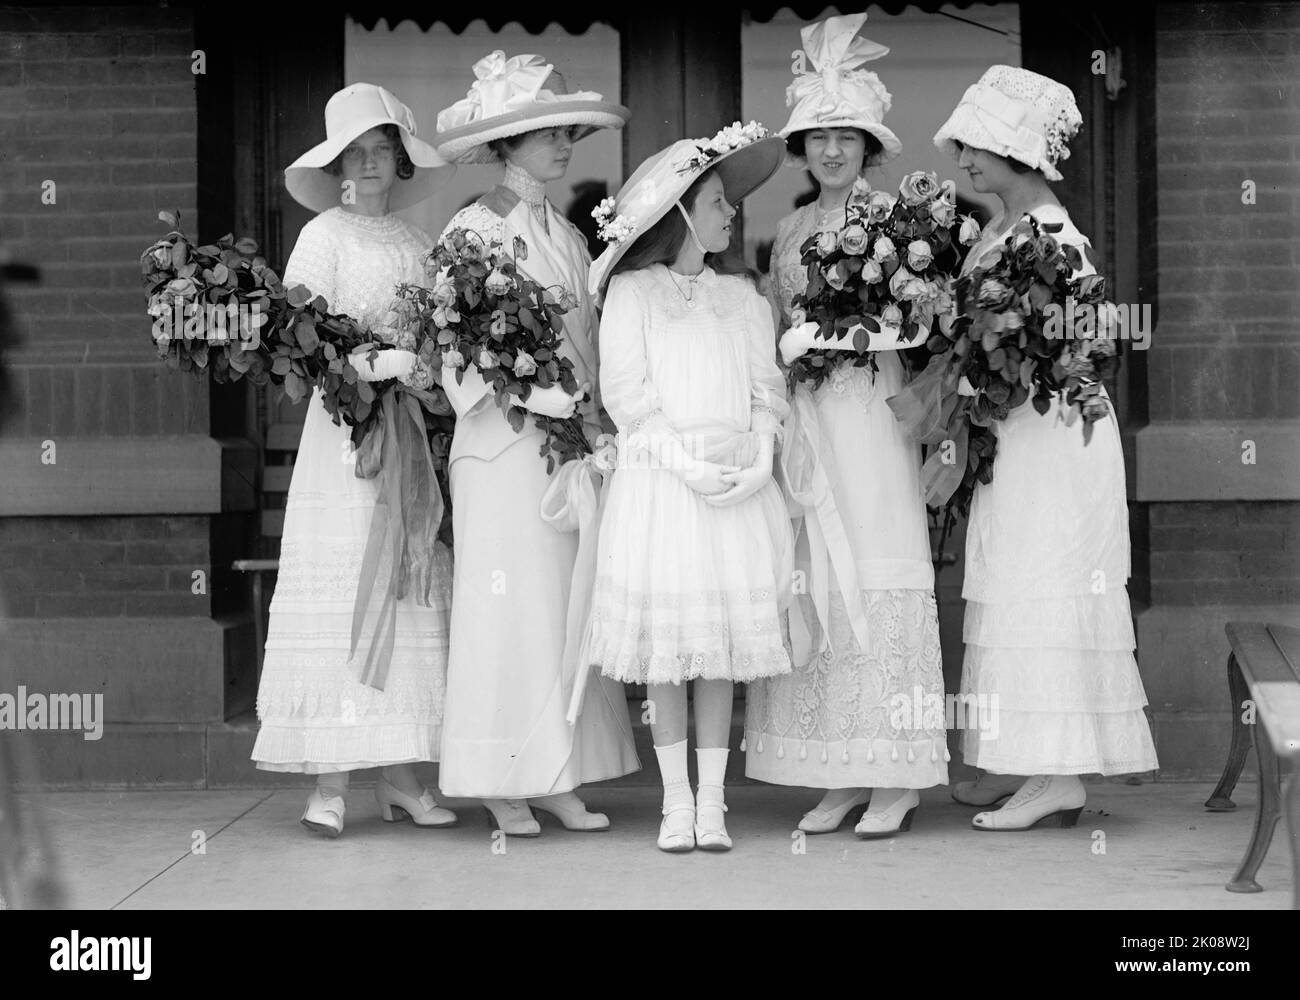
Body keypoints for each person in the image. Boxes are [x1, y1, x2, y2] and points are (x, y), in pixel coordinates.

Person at [932, 65, 1158, 829]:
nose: (963, 161)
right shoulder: (1005, 232)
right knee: (1012, 580)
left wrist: (1002, 373)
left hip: (1054, 441)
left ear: (1012, 151)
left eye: (976, 148)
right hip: (1016, 439)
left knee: (1046, 584)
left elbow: (1087, 349)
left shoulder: (1056, 240)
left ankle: (1060, 772)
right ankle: (1025, 757)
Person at [744, 11, 949, 838]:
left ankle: (894, 773)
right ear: (802, 146)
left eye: (848, 136)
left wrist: (843, 334)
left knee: (878, 563)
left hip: (876, 414)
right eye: (819, 136)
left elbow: (925, 322)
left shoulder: (901, 225)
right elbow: (776, 329)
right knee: (819, 571)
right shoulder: (789, 231)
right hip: (812, 421)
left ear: (870, 144)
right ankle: (836, 768)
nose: (832, 151)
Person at [433, 52, 640, 836]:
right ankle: (498, 777)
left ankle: (555, 772)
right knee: (505, 611)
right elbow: (456, 359)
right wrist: (536, 393)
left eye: (566, 134)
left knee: (560, 604)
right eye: (547, 134)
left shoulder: (563, 230)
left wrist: (594, 418)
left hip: (564, 448)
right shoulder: (473, 229)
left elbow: (585, 341)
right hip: (500, 451)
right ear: (506, 144)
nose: (563, 145)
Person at [251, 83, 460, 837]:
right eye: (357, 152)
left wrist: (420, 368)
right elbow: (297, 343)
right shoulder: (323, 236)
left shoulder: (416, 243)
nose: (371, 163)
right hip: (343, 438)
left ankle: (402, 776)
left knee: (405, 588)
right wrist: (364, 367)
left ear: (400, 160)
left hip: (406, 433)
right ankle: (330, 782)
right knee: (348, 586)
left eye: (383, 150)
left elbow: (439, 340)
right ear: (338, 162)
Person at [580, 124, 792, 852]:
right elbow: (628, 396)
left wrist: (762, 452)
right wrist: (684, 464)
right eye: (714, 200)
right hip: (664, 485)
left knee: (720, 655)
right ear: (679, 214)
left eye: (728, 201)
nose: (730, 213)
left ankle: (715, 806)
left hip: (735, 483)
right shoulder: (633, 295)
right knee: (672, 650)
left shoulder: (744, 298)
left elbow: (768, 389)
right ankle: (676, 804)